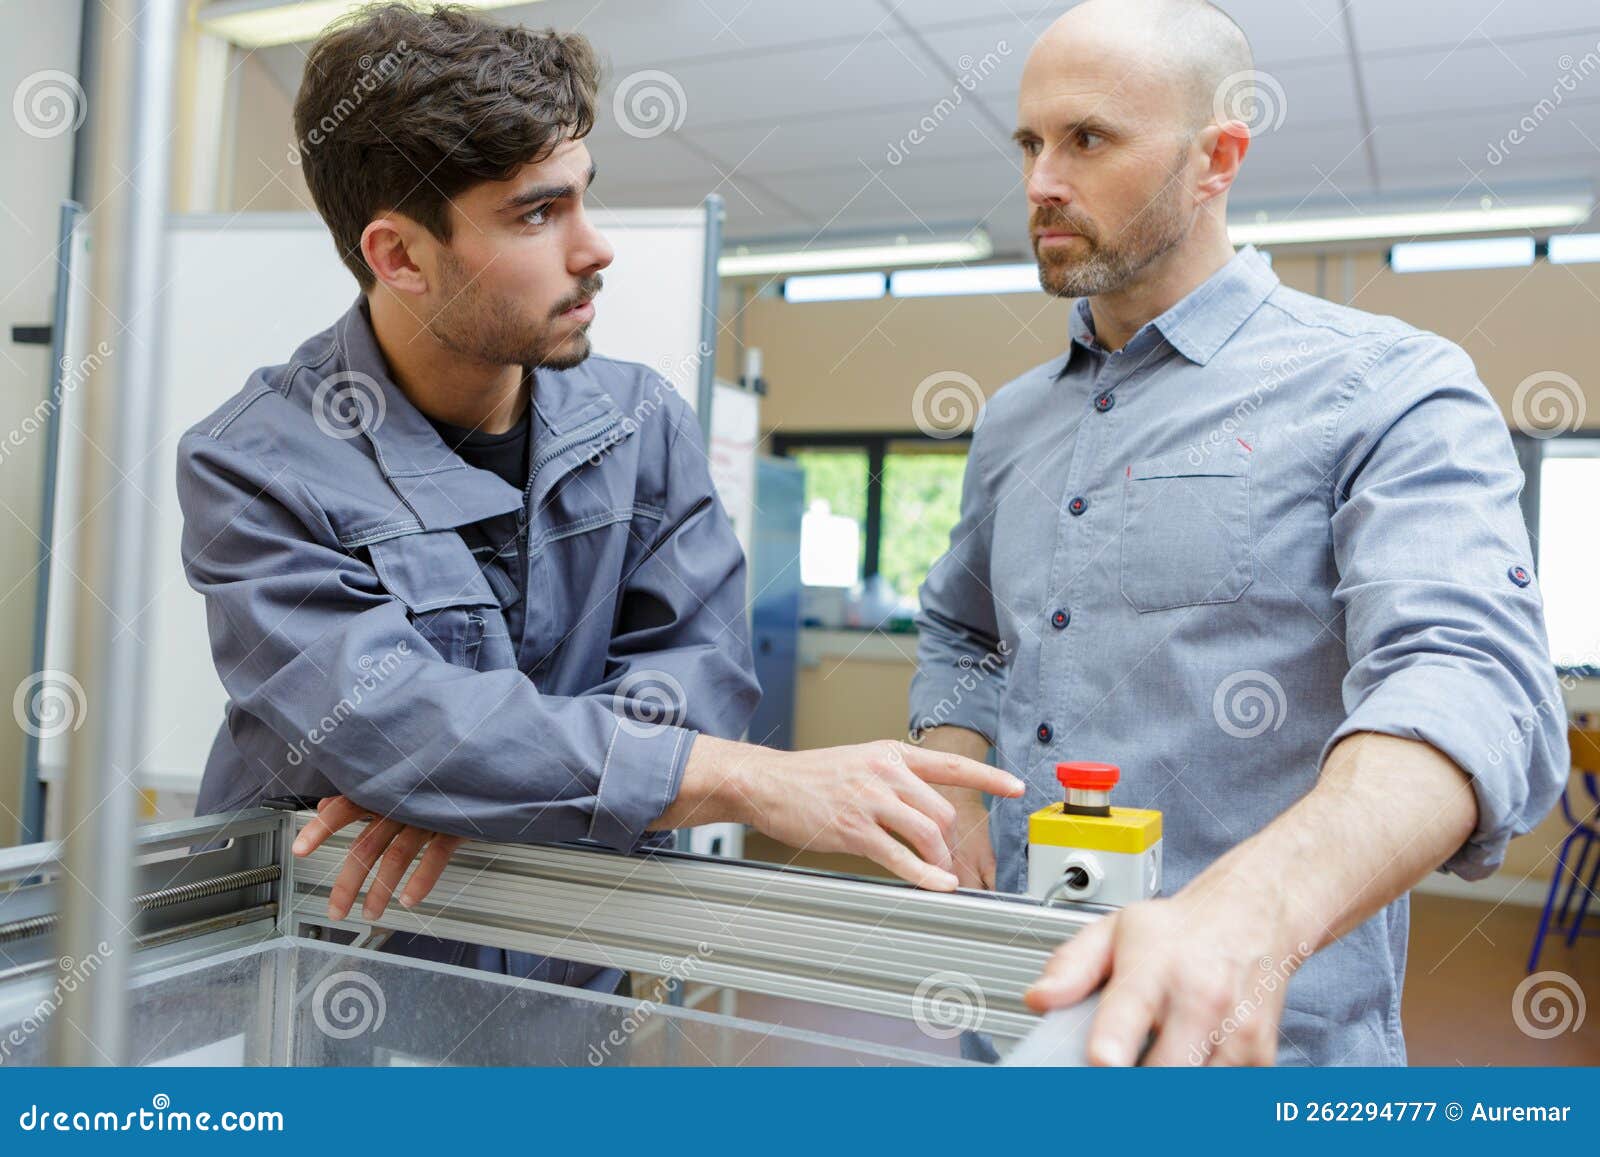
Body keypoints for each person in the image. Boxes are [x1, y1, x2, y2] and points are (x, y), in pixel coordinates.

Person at [177, 2, 1021, 989]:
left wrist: (465, 779)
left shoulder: (639, 420)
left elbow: (699, 677)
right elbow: (384, 717)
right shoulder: (256, 463)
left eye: (583, 195)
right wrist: (741, 777)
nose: (595, 247)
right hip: (341, 972)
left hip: (566, 970)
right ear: (399, 255)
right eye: (538, 212)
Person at [909, 0, 1567, 1065]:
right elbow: (960, 629)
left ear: (1214, 158)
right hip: (1017, 1008)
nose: (1039, 183)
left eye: (1087, 139)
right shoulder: (1015, 419)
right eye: (1029, 143)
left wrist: (1249, 907)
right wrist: (951, 777)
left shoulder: (1388, 386)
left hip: (1257, 1046)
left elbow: (1469, 678)